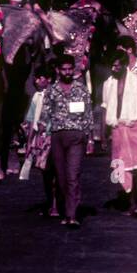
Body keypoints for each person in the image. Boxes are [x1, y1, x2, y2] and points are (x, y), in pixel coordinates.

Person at [41, 52, 93, 228]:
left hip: (77, 136)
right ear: (57, 70)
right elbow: (45, 115)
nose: (68, 73)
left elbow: (88, 115)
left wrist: (90, 139)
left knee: (73, 175)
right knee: (61, 177)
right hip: (57, 136)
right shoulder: (51, 91)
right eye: (64, 69)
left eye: (71, 69)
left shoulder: (81, 89)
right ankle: (64, 210)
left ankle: (72, 215)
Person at [101, 47, 137, 217]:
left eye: (117, 66)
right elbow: (105, 108)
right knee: (121, 167)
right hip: (117, 128)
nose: (114, 69)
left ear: (124, 65)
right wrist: (103, 134)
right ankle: (130, 203)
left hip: (136, 125)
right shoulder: (108, 83)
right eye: (112, 66)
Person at [20, 67, 57, 212]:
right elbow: (30, 121)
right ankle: (50, 202)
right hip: (39, 139)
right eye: (36, 78)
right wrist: (29, 143)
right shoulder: (37, 96)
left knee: (55, 171)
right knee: (45, 172)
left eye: (40, 78)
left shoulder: (55, 95)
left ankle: (55, 204)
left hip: (52, 137)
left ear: (49, 79)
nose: (37, 81)